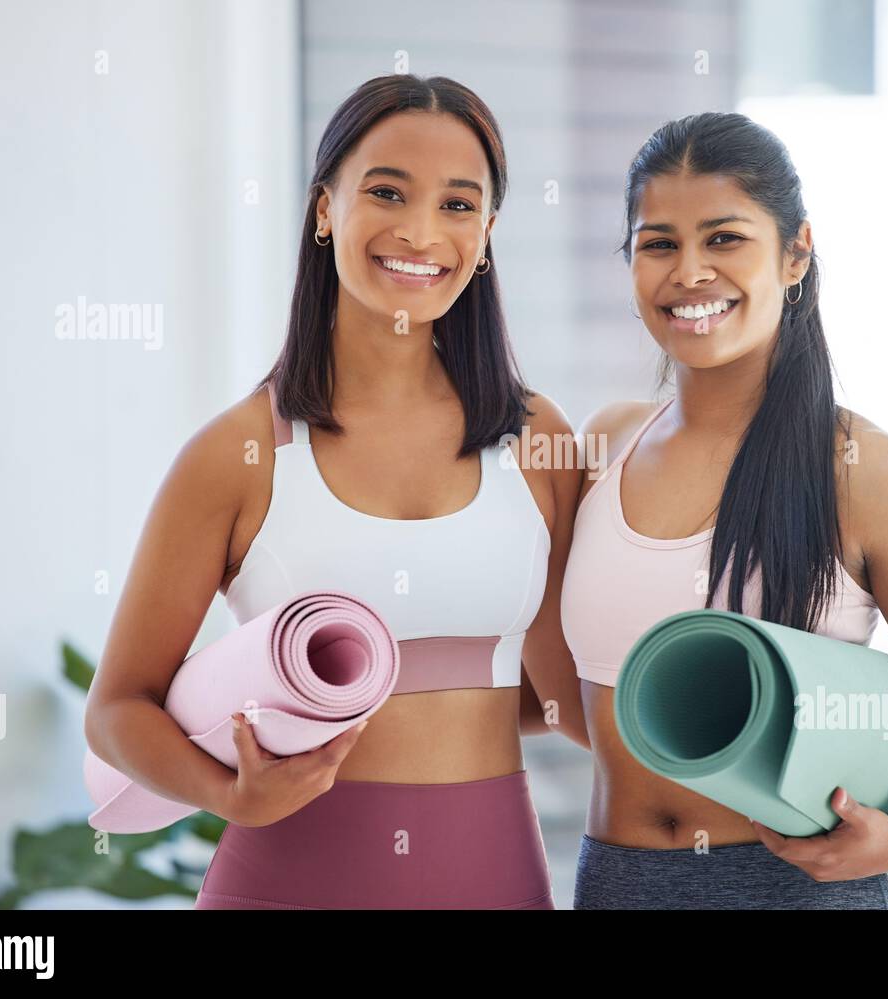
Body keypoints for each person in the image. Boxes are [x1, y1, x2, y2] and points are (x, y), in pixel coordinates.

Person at [84, 74, 586, 910]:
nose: (420, 231)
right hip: (284, 885)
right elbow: (116, 709)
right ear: (325, 208)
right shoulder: (239, 454)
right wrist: (228, 793)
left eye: (458, 205)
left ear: (486, 234)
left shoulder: (538, 439)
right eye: (387, 192)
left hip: (496, 880)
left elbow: (567, 698)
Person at [560, 111, 888, 909]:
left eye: (724, 238)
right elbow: (577, 701)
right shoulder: (606, 444)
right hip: (616, 881)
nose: (690, 272)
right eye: (659, 244)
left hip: (796, 888)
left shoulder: (865, 471)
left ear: (795, 252)